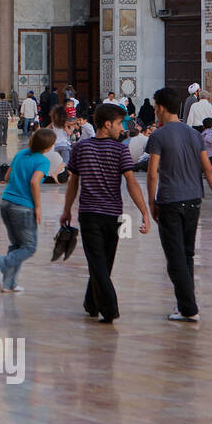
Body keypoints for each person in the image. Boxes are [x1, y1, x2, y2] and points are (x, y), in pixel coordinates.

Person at [60, 103, 151, 324]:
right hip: (107, 214)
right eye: (119, 123)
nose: (122, 128)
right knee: (101, 263)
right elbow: (130, 182)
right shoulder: (119, 150)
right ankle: (109, 309)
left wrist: (144, 211)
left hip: (96, 214)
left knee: (101, 263)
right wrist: (144, 212)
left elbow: (74, 182)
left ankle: (92, 303)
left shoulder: (83, 148)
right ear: (107, 124)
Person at [146, 86, 212, 323]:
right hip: (194, 200)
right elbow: (209, 169)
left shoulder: (158, 136)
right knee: (187, 254)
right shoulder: (194, 135)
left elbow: (152, 174)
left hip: (170, 201)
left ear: (160, 108)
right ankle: (185, 304)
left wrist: (151, 202)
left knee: (175, 258)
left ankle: (189, 308)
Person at [0, 128, 55, 294]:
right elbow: (35, 182)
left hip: (6, 202)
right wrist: (38, 207)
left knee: (16, 245)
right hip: (23, 207)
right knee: (29, 247)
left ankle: (9, 284)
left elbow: (6, 177)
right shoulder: (43, 161)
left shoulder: (20, 154)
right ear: (48, 146)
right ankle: (1, 263)